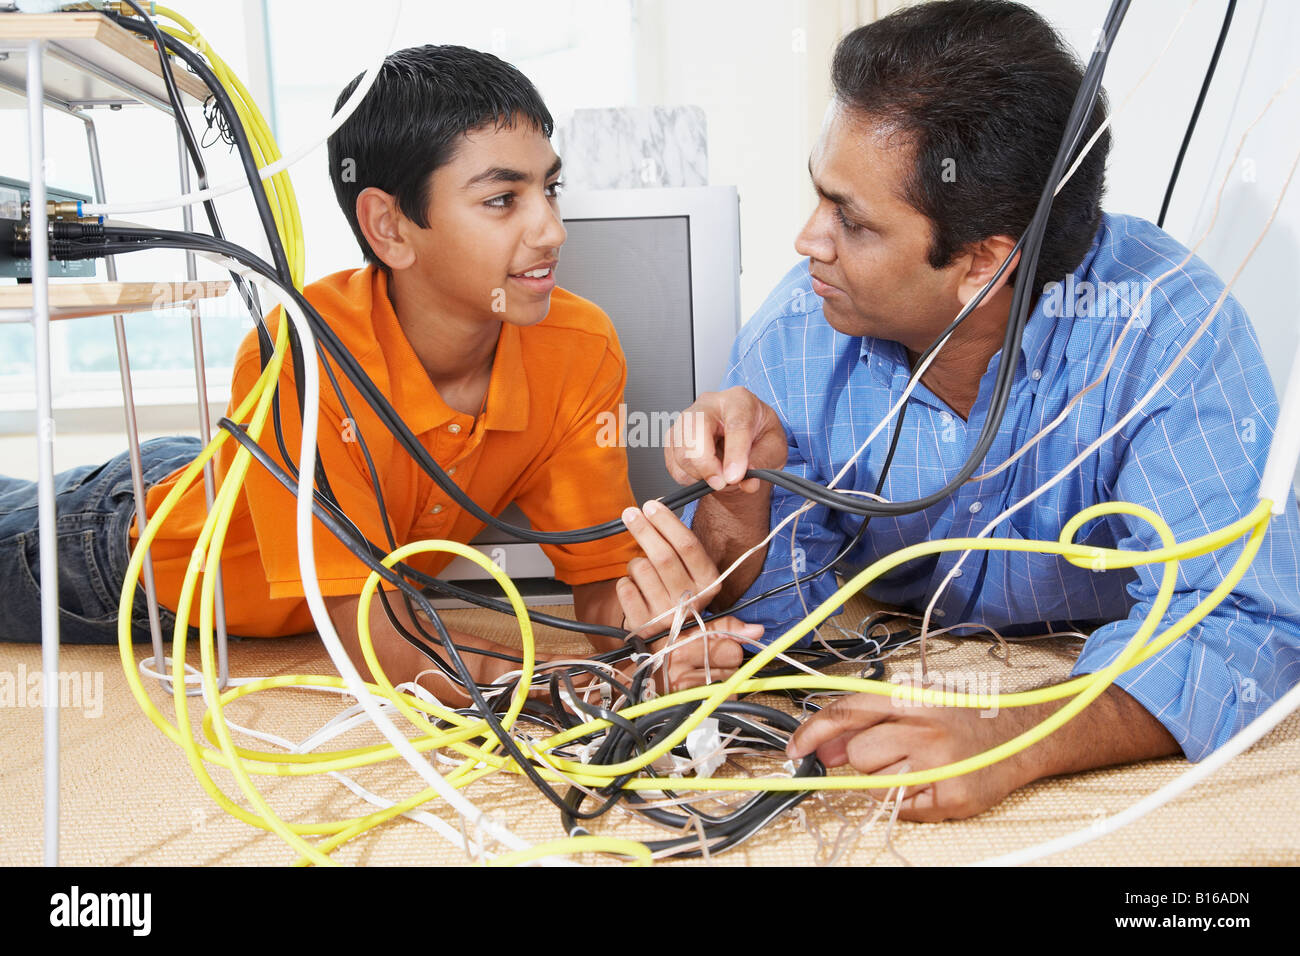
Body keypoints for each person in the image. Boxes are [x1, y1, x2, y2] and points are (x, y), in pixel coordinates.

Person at [613, 0, 1300, 820]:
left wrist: (1016, 736)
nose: (806, 241)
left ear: (981, 262)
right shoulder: (803, 326)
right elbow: (773, 606)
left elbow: (1247, 629)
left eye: (851, 221)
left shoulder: (1171, 333)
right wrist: (739, 515)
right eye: (820, 195)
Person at [0, 45, 647, 704]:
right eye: (505, 198)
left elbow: (603, 580)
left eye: (550, 188)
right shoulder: (299, 355)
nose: (552, 228)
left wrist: (661, 642)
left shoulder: (577, 348)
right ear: (389, 227)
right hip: (128, 556)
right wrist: (547, 684)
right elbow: (375, 637)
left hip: (220, 475)